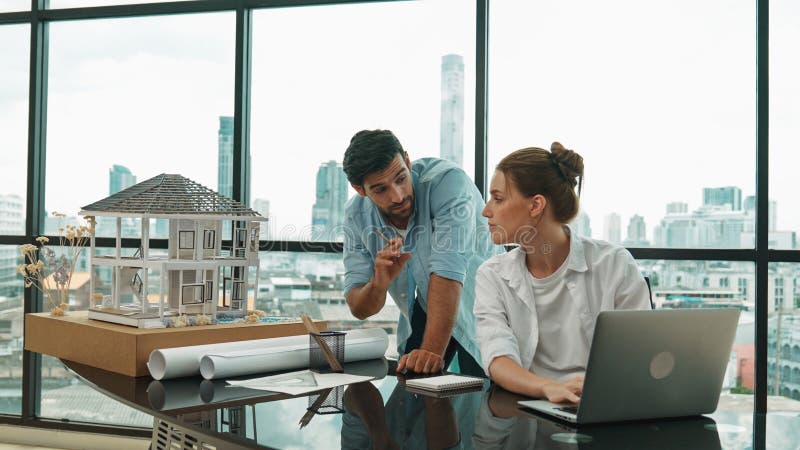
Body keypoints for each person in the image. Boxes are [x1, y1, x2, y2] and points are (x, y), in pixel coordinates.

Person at [474, 142, 651, 403]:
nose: (486, 210)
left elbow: (641, 353)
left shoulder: (614, 264)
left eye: (498, 199)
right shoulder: (492, 275)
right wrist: (548, 388)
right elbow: (498, 359)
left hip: (604, 405)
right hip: (527, 411)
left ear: (535, 206)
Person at [342, 129, 498, 376]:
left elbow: (448, 269)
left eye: (401, 178)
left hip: (482, 304)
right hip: (429, 302)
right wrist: (378, 283)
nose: (398, 196)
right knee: (411, 394)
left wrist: (431, 352)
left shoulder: (448, 182)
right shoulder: (356, 216)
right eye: (381, 190)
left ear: (407, 160)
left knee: (485, 401)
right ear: (360, 189)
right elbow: (360, 309)